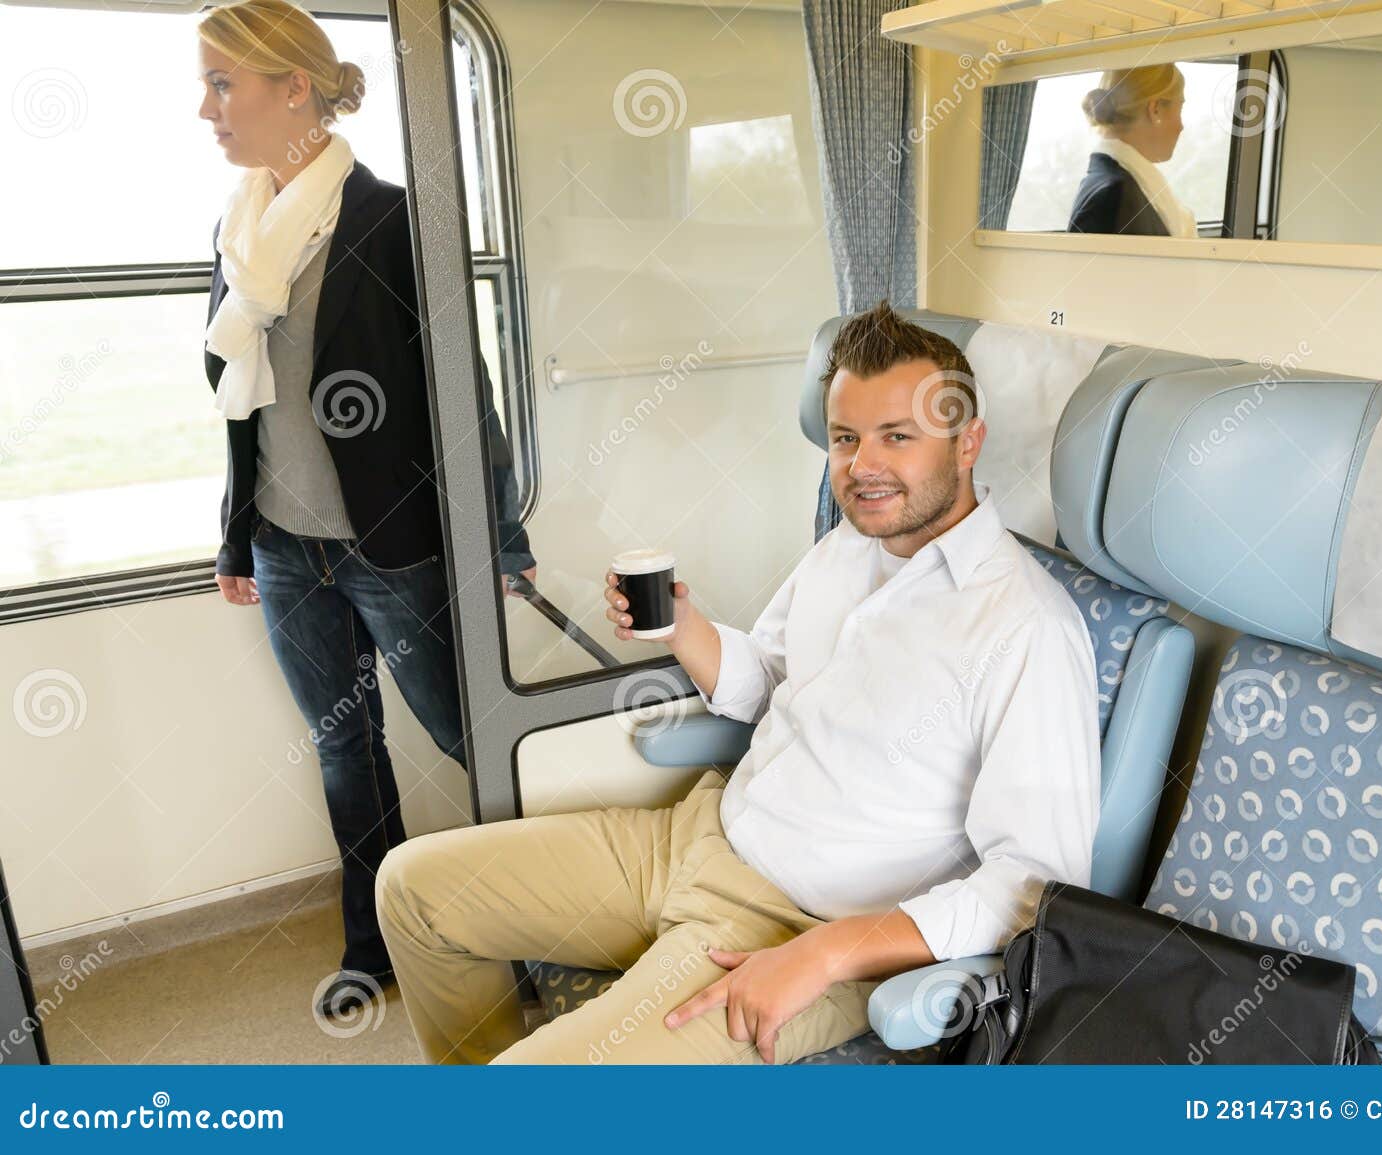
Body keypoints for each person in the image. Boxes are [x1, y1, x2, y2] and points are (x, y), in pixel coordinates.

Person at [374, 303, 1102, 1064]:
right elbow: (766, 680)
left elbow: (1033, 885)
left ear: (967, 441)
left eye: (898, 436)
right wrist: (683, 626)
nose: (864, 465)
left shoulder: (1025, 629)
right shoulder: (845, 550)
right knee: (412, 891)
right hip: (701, 834)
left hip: (801, 924)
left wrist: (824, 955)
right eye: (847, 438)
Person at [196, 0, 535, 1019]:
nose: (204, 108)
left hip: (397, 546)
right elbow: (234, 404)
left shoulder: (391, 218)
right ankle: (375, 940)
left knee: (473, 740)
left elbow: (461, 390)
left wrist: (500, 531)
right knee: (345, 750)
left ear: (292, 86)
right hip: (288, 547)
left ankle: (539, 926)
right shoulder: (237, 231)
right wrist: (235, 533)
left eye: (221, 83)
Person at [1067, 64, 1197, 237]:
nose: (1181, 126)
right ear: (1155, 109)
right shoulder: (1118, 197)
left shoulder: (1111, 184)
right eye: (1180, 109)